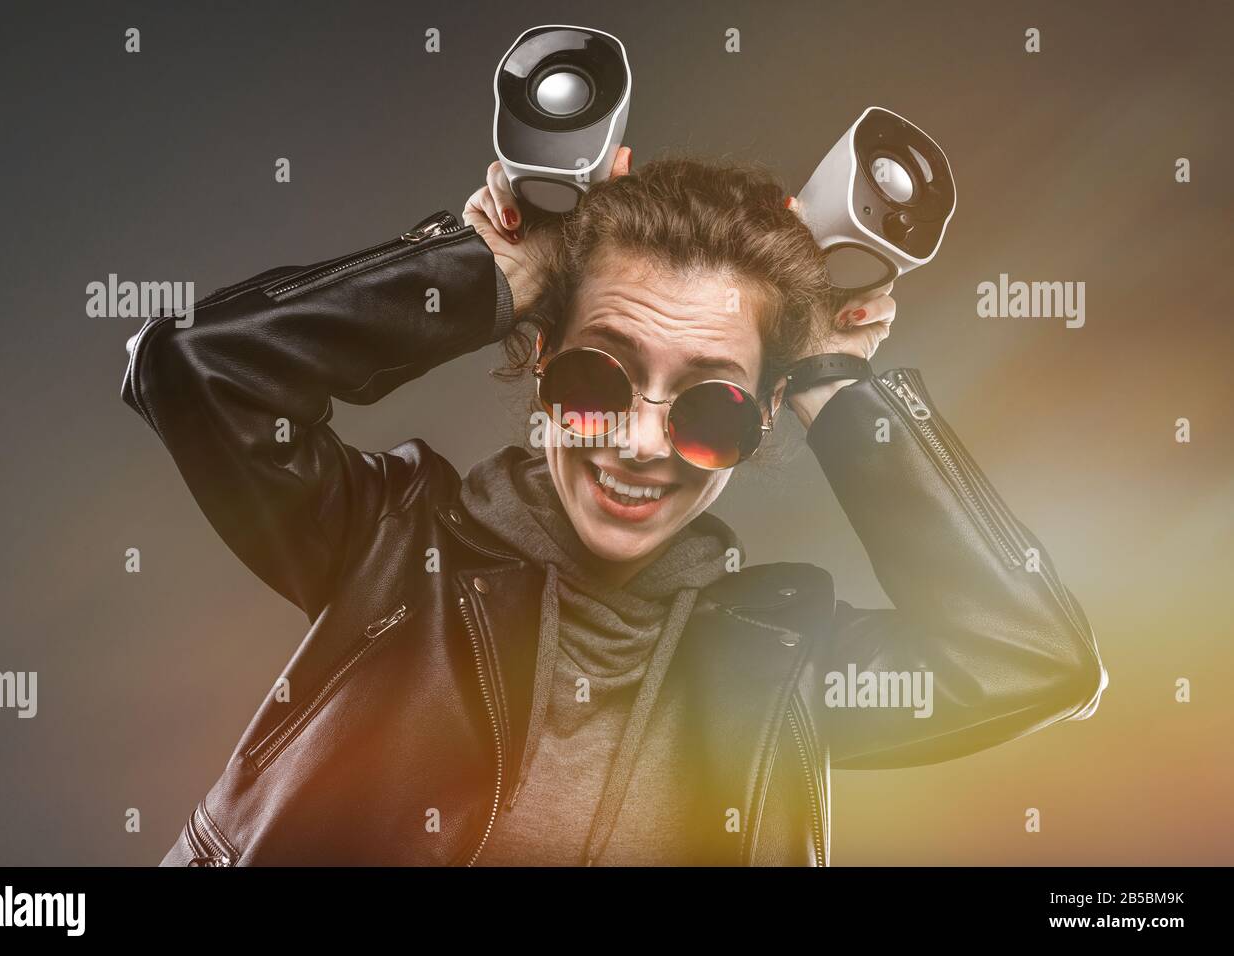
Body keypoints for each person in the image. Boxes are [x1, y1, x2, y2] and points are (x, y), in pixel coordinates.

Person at [122, 146, 1107, 866]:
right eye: (599, 377)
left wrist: (838, 383)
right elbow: (201, 369)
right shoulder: (386, 549)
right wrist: (496, 274)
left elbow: (1025, 656)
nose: (638, 440)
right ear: (543, 359)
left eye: (712, 405)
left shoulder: (772, 670)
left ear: (767, 415)